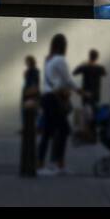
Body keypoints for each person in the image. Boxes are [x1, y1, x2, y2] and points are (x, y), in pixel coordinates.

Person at [37, 33, 77, 175]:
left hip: (47, 97)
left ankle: (48, 164)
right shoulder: (60, 60)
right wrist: (80, 91)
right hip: (54, 99)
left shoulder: (48, 59)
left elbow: (52, 80)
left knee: (49, 132)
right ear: (63, 46)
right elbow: (67, 79)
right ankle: (54, 164)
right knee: (62, 130)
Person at [72, 49, 106, 142]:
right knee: (94, 115)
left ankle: (88, 135)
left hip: (86, 95)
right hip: (96, 95)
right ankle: (93, 136)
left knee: (87, 115)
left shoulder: (84, 67)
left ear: (89, 56)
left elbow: (74, 72)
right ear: (97, 57)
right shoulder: (100, 68)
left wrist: (83, 64)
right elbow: (104, 73)